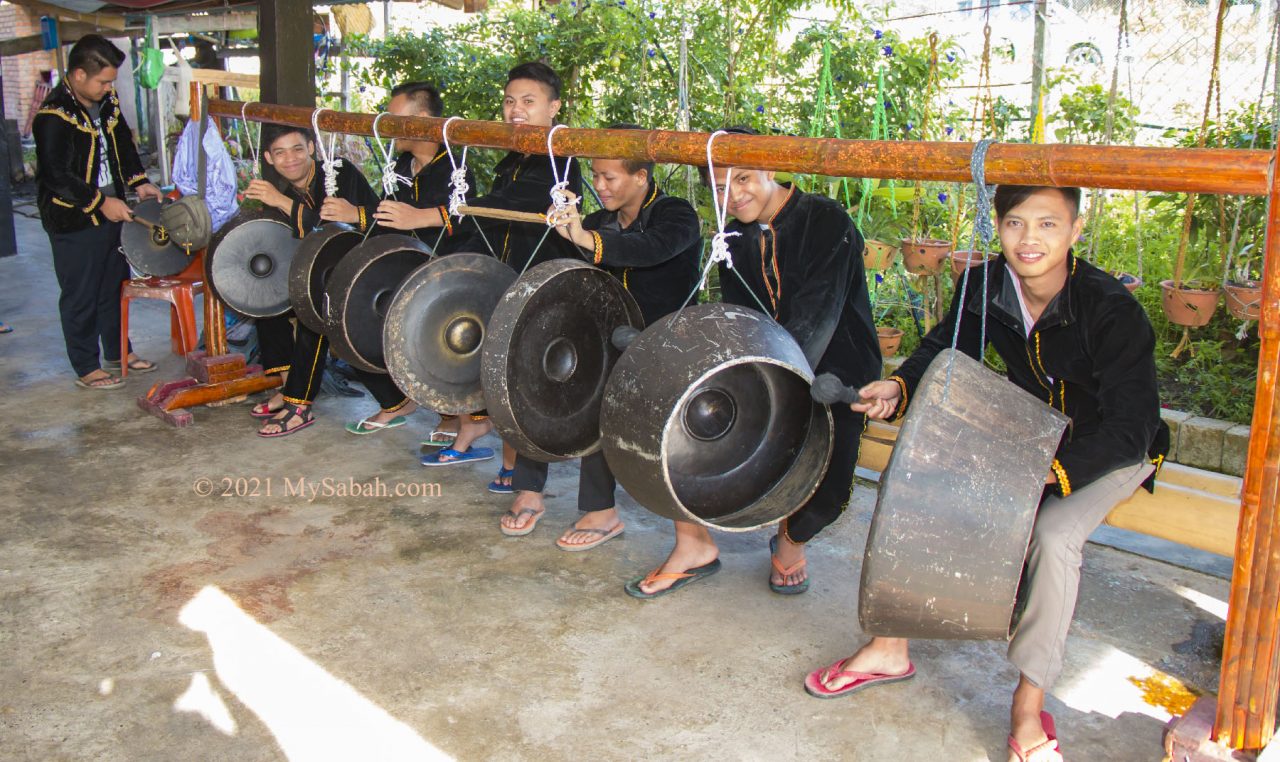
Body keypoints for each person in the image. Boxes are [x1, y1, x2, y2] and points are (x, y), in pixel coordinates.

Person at [804, 185, 1169, 762]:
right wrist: (898, 387)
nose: (1030, 239)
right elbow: (943, 349)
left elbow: (1134, 425)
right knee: (930, 479)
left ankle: (1028, 703)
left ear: (1075, 230)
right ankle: (889, 646)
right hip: (1032, 431)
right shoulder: (986, 282)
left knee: (1053, 534)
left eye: (1048, 224)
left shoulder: (1110, 308)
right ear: (998, 227)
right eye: (1016, 223)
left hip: (1111, 448)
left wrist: (1046, 474)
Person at [628, 127, 880, 598]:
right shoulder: (732, 238)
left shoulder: (826, 220)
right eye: (720, 187)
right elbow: (740, 315)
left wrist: (774, 382)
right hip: (767, 366)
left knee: (828, 491)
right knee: (692, 434)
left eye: (743, 179)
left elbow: (819, 313)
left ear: (769, 167)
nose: (733, 196)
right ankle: (694, 546)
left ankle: (790, 540)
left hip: (838, 368)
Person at [499, 124, 702, 548]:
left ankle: (602, 511)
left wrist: (585, 238)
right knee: (538, 365)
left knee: (602, 384)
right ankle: (529, 489)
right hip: (603, 334)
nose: (599, 185)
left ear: (641, 176)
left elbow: (650, 249)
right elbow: (562, 272)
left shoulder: (677, 215)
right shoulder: (599, 221)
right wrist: (561, 229)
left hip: (659, 340)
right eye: (594, 175)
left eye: (609, 177)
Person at [417, 62, 584, 492]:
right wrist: (450, 264)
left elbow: (506, 204)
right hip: (506, 280)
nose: (516, 110)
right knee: (491, 366)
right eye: (510, 101)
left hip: (541, 286)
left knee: (520, 380)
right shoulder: (513, 158)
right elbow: (492, 222)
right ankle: (486, 440)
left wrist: (440, 217)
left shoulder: (561, 161)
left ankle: (520, 474)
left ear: (554, 107)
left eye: (529, 101)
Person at [344, 81, 477, 438]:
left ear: (423, 120)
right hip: (404, 267)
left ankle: (449, 415)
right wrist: (357, 215)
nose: (389, 126)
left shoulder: (456, 167)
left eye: (395, 118)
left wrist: (420, 217)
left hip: (447, 274)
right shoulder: (401, 163)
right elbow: (387, 215)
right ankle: (398, 402)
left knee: (437, 340)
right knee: (353, 316)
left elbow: (468, 218)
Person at [34, 34, 163, 390]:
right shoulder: (52, 117)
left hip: (112, 211)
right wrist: (101, 203)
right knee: (81, 293)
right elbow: (56, 176)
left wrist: (139, 181)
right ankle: (86, 366)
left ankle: (119, 351)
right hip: (72, 218)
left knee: (114, 287)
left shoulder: (106, 102)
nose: (109, 88)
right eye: (103, 81)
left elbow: (122, 142)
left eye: (111, 82)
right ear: (79, 75)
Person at [243, 122, 379, 437]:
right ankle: (287, 386)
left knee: (312, 308)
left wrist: (280, 201)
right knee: (266, 299)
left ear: (311, 149)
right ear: (269, 158)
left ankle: (299, 406)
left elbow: (333, 233)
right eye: (280, 153)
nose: (290, 159)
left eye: (297, 149)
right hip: (326, 273)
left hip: (366, 268)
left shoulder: (337, 172)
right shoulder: (286, 193)